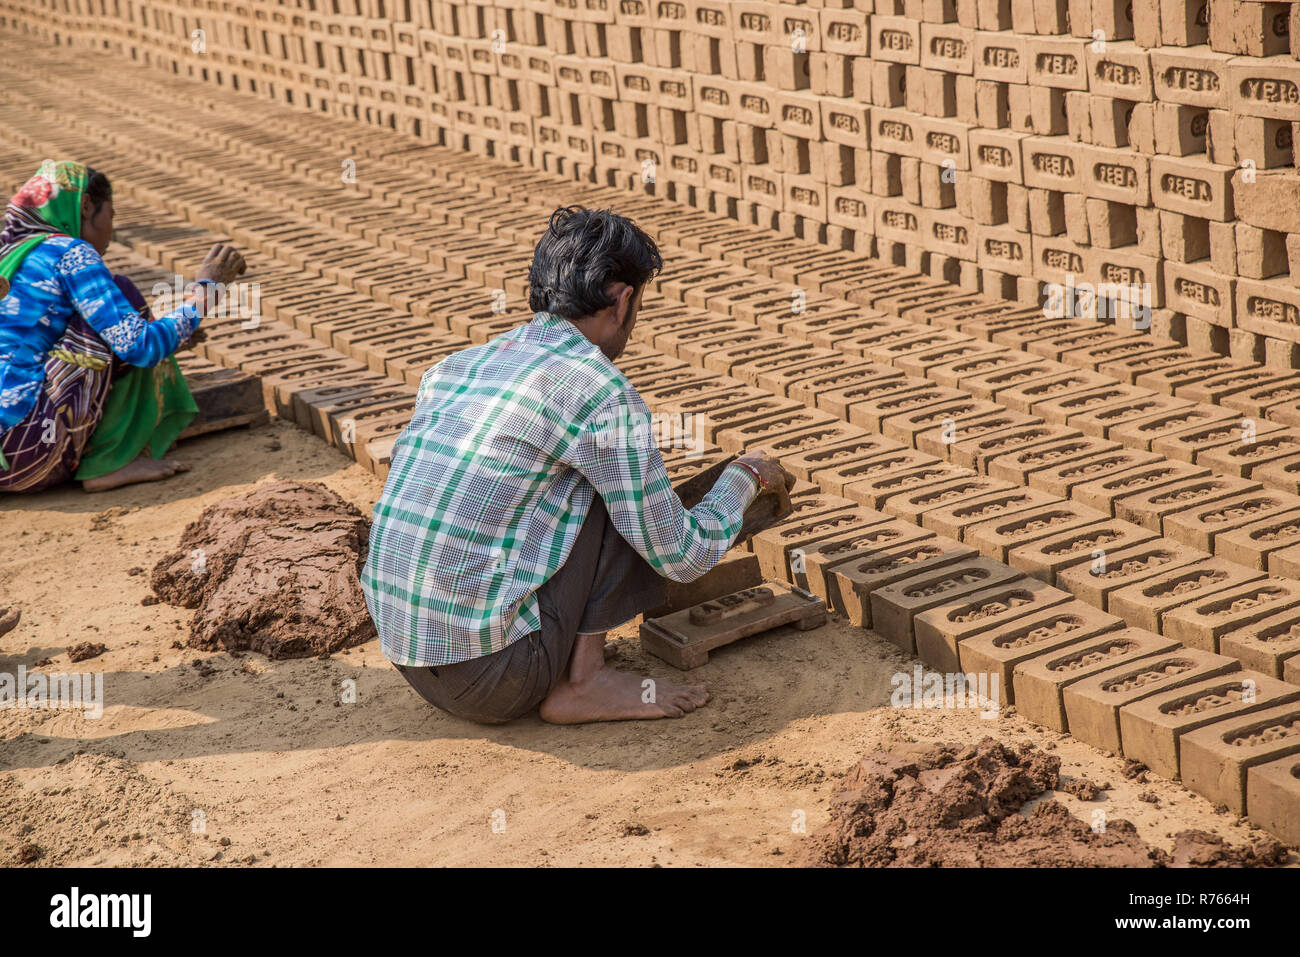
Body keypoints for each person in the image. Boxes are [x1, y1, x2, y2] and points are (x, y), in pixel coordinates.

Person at [362, 206, 794, 725]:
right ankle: (583, 682)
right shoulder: (601, 394)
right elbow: (680, 555)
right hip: (497, 681)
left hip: (411, 660)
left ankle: (563, 661)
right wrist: (745, 479)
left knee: (571, 479)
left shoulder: (458, 367)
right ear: (622, 299)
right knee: (613, 488)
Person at [0, 160, 246, 493]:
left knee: (118, 323)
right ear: (86, 206)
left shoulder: (10, 252)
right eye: (111, 216)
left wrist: (173, 334)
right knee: (125, 301)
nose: (111, 235)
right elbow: (139, 347)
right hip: (28, 454)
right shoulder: (71, 253)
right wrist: (208, 290)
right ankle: (109, 461)